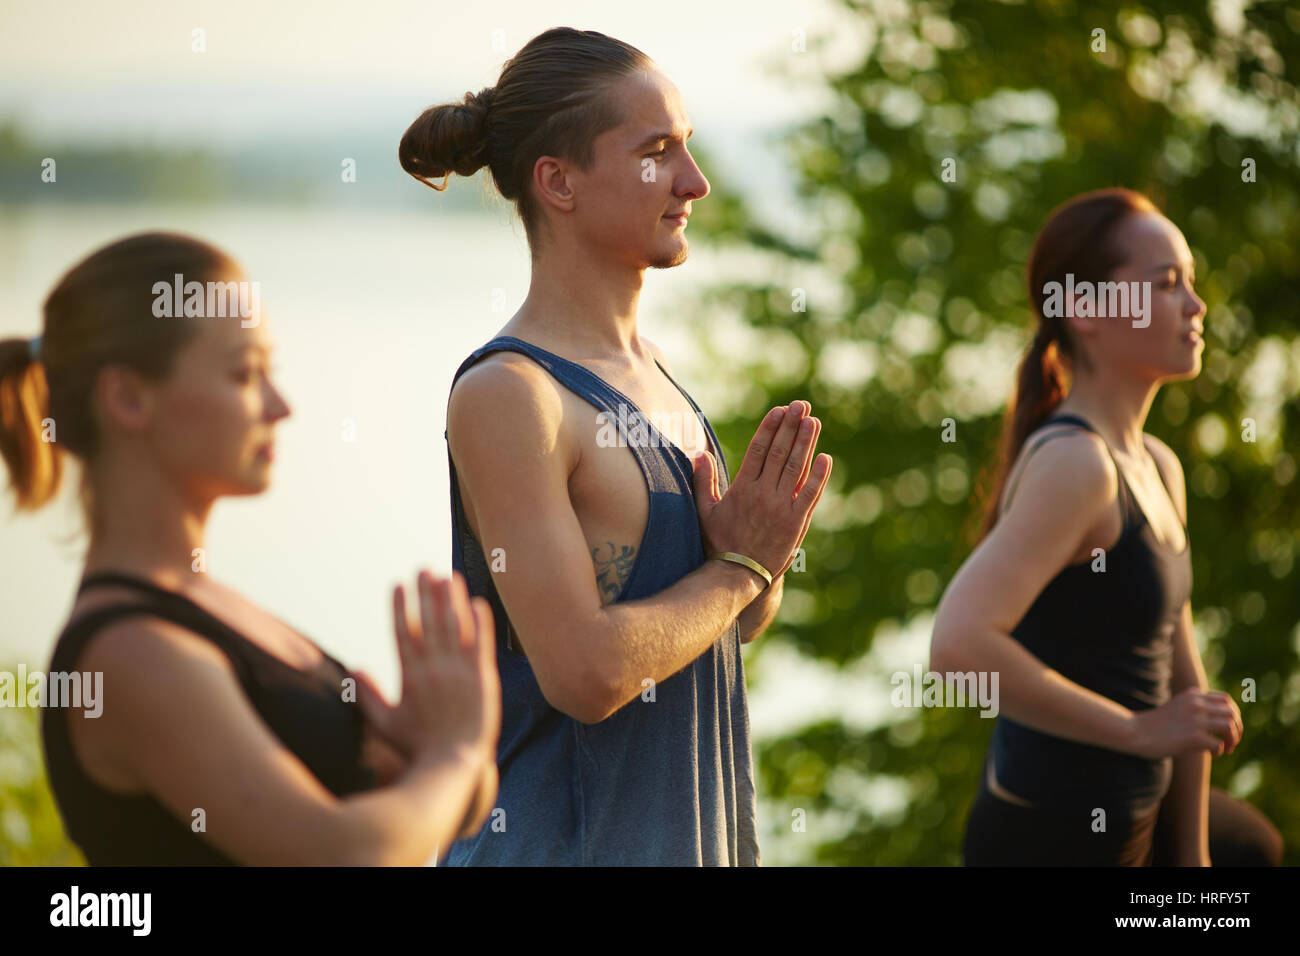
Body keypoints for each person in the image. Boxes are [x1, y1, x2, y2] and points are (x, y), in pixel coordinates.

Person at [399, 27, 832, 865]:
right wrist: (738, 567)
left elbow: (725, 625)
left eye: (690, 150)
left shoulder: (659, 375)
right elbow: (587, 674)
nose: (694, 182)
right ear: (558, 182)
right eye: (657, 152)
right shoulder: (509, 394)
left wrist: (759, 563)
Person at [0, 231, 501, 865]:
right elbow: (344, 856)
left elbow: (450, 807)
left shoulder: (214, 611)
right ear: (128, 398)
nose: (280, 405)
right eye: (244, 373)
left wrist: (431, 757)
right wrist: (453, 754)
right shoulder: (129, 655)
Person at [930, 188, 1281, 866]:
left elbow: (1185, 688)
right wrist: (1138, 731)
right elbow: (956, 648)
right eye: (1167, 283)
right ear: (1087, 310)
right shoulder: (1076, 465)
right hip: (1053, 840)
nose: (1196, 305)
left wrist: (1193, 863)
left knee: (1251, 848)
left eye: (1192, 281)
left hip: (1137, 823)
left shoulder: (1155, 464)